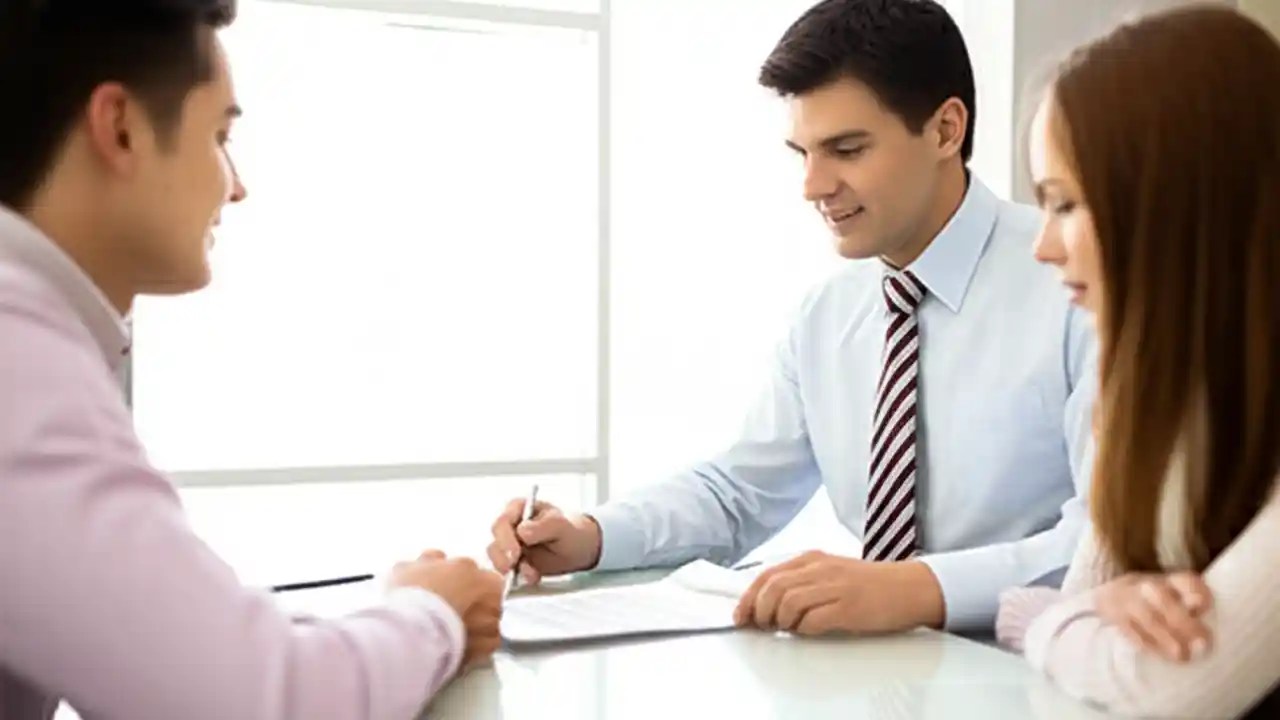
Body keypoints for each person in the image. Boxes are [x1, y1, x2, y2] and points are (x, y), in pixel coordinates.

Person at [488, 0, 1096, 635]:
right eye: (801, 152)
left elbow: (1103, 544)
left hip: (1035, 675)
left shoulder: (1079, 289)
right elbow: (738, 493)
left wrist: (913, 589)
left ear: (946, 131)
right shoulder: (828, 315)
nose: (812, 185)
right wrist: (589, 536)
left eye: (847, 149)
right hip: (874, 675)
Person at [0, 2, 503, 718]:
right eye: (219, 136)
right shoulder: (18, 355)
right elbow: (257, 700)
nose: (235, 185)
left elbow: (178, 652)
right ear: (119, 128)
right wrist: (433, 614)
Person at [996, 5, 1280, 718]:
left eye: (1066, 205)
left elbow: (1169, 690)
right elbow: (1076, 603)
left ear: (1176, 207)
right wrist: (1085, 613)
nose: (1043, 247)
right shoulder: (1166, 390)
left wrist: (1059, 621)